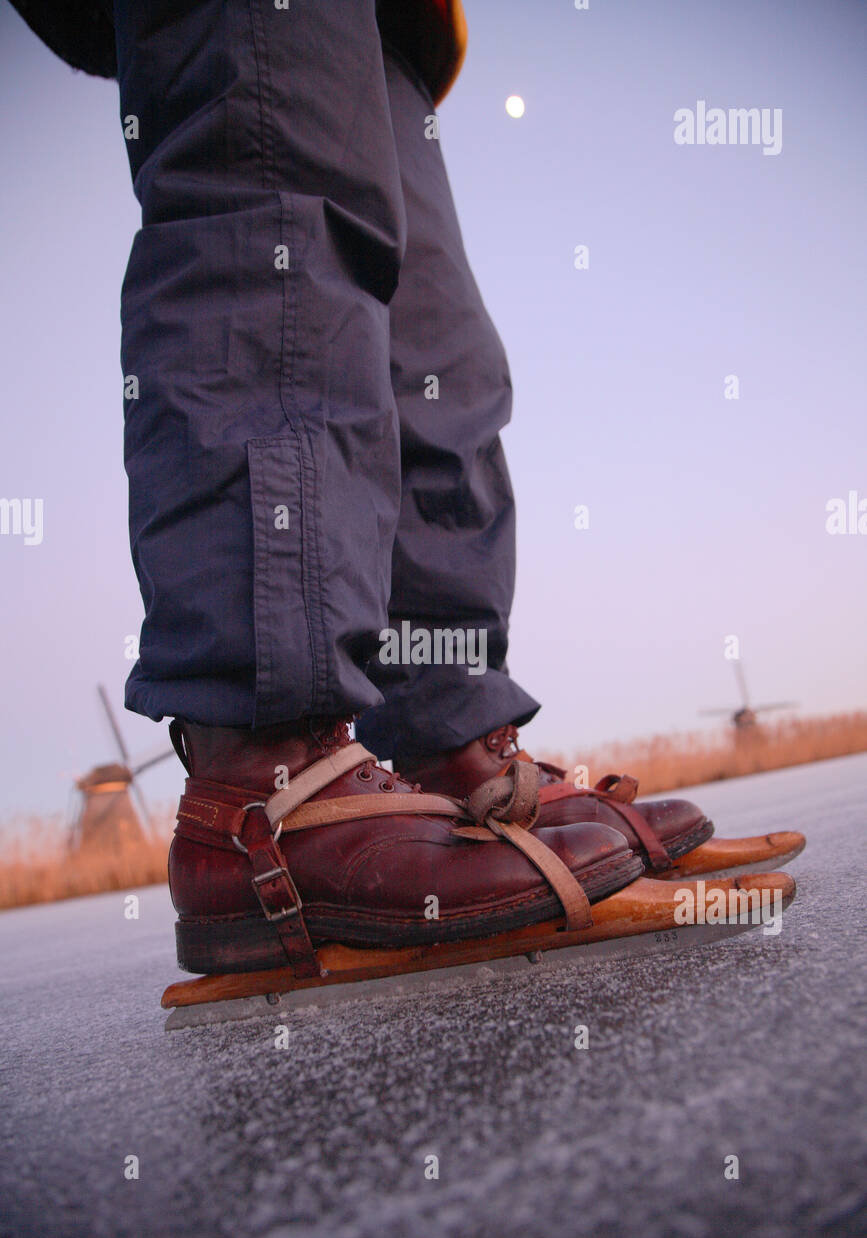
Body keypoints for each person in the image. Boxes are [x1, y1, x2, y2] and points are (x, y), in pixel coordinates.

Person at [12, 1, 715, 977]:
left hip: (401, 24)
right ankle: (266, 791)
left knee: (435, 352)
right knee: (278, 214)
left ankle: (449, 746)